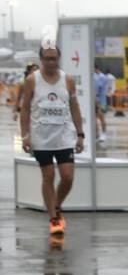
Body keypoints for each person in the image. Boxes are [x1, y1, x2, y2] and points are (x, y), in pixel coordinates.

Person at [19, 44, 85, 235]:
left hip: (63, 136)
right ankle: (54, 218)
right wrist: (25, 135)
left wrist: (80, 134)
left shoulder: (68, 80)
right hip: (41, 137)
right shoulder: (32, 80)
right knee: (48, 176)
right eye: (47, 58)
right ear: (41, 60)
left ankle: (55, 206)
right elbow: (24, 110)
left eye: (54, 58)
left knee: (68, 177)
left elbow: (74, 107)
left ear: (59, 59)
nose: (51, 62)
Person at [93, 64, 113, 145]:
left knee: (101, 117)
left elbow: (103, 90)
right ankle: (97, 134)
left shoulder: (103, 78)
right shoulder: (93, 76)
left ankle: (104, 133)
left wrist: (99, 101)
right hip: (93, 100)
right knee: (94, 118)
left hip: (101, 100)